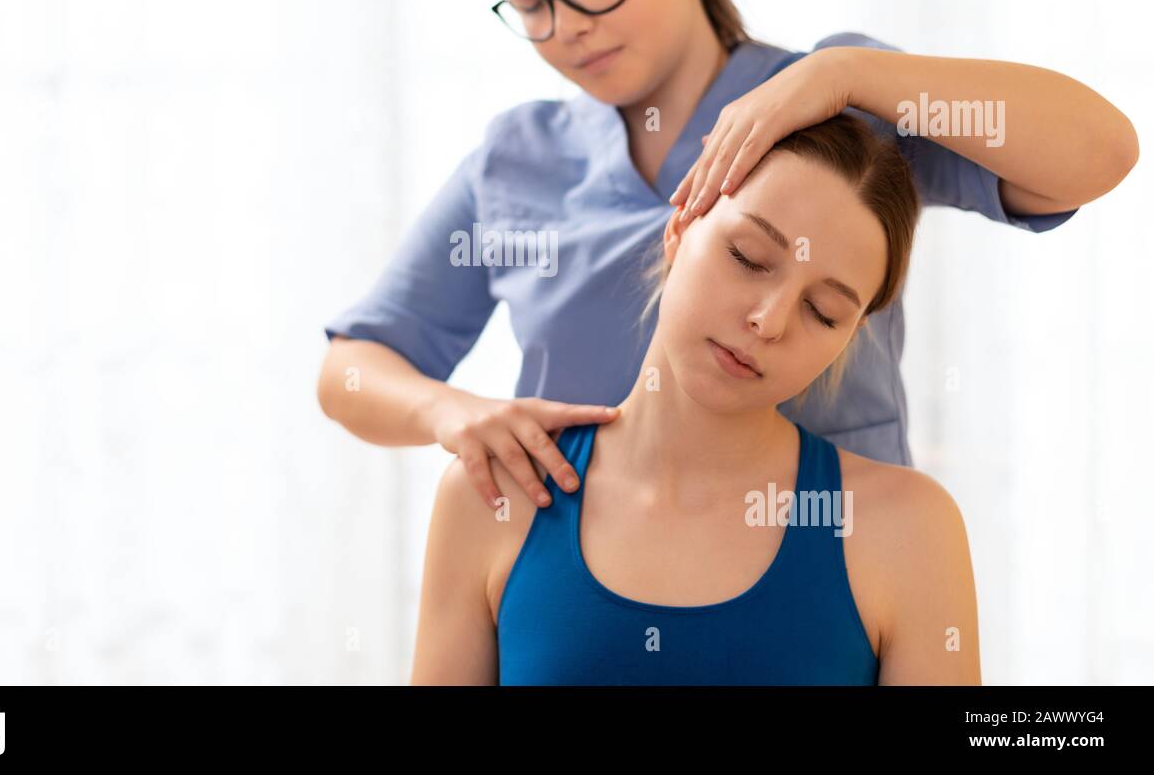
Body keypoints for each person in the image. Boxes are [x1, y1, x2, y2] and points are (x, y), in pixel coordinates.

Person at [317, 0, 1137, 514]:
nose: (569, 24)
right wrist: (453, 415)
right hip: (581, 596)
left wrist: (846, 75)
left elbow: (1098, 153)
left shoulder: (838, 108)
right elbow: (351, 369)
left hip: (830, 586)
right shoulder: (516, 161)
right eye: (531, 1)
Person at [410, 115, 979, 684]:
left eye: (823, 312)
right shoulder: (492, 493)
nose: (769, 321)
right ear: (679, 228)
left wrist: (841, 70)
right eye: (748, 258)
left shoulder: (908, 529)